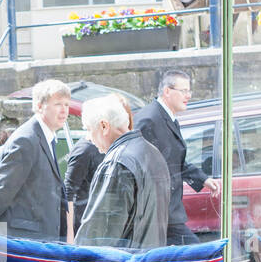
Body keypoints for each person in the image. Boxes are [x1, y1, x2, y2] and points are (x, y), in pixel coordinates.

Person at [135, 69, 219, 245]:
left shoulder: (167, 117)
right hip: (157, 211)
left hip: (166, 211)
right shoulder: (149, 119)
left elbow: (174, 160)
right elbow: (138, 166)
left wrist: (203, 179)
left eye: (189, 90)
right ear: (167, 91)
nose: (188, 95)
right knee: (197, 256)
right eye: (184, 91)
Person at [0, 79, 69, 241]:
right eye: (58, 104)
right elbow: (2, 191)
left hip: (41, 240)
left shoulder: (46, 137)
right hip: (25, 242)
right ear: (40, 106)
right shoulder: (26, 140)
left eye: (66, 105)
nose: (64, 111)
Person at [75, 96, 171, 250]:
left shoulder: (117, 163)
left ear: (104, 126)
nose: (88, 137)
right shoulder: (152, 152)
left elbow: (97, 238)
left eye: (88, 129)